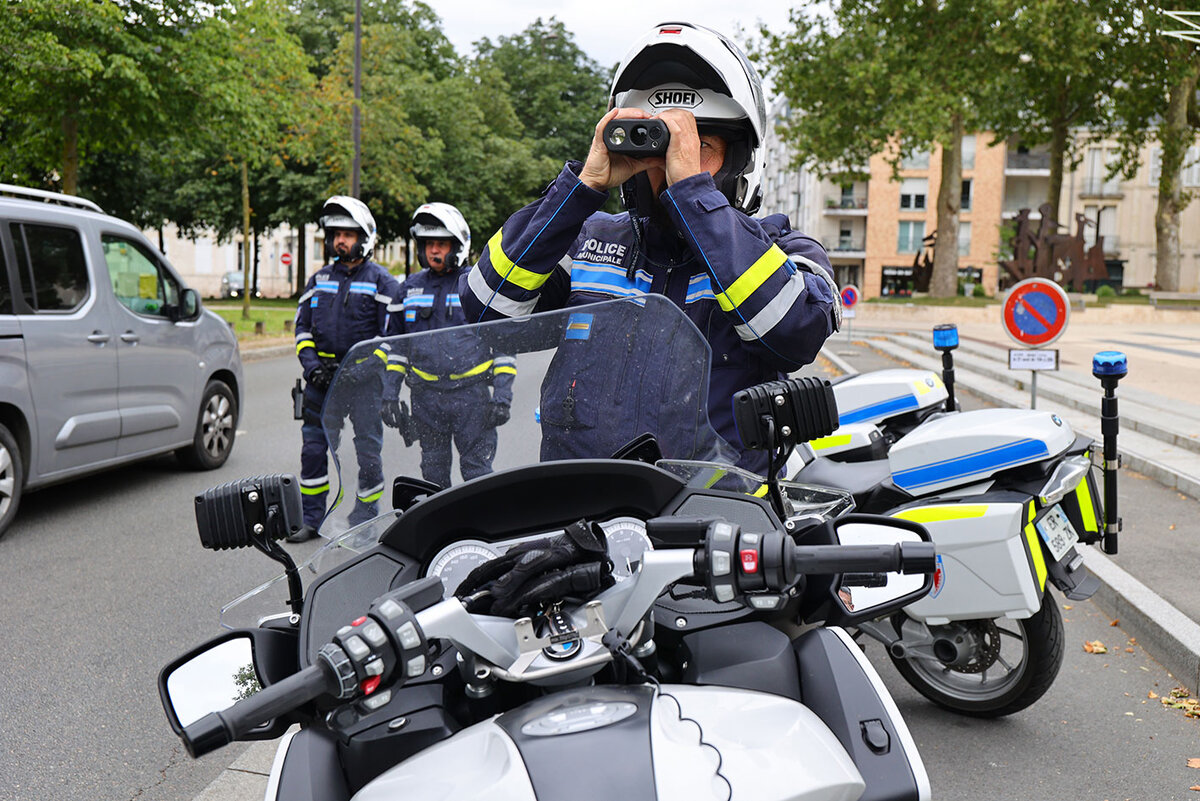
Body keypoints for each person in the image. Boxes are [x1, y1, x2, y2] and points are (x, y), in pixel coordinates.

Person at [460, 21, 841, 473]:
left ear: (742, 161)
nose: (674, 162)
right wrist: (581, 188)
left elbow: (794, 333)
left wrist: (693, 196)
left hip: (714, 520)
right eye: (660, 146)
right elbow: (486, 312)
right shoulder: (588, 238)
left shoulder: (783, 249)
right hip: (584, 519)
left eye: (701, 146)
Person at [382, 202, 515, 488]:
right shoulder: (407, 289)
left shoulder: (478, 285)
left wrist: (502, 398)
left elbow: (504, 345)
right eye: (429, 244)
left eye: (441, 244)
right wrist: (389, 395)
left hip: (472, 398)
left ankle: (481, 532)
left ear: (458, 245)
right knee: (433, 475)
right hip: (426, 399)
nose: (433, 250)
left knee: (477, 474)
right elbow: (396, 348)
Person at [292, 195, 401, 541]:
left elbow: (391, 338)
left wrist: (366, 368)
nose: (340, 239)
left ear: (365, 237)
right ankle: (312, 518)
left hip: (365, 385)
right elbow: (302, 329)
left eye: (348, 234)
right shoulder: (318, 279)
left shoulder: (385, 283)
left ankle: (365, 519)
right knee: (313, 451)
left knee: (368, 453)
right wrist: (313, 369)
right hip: (321, 383)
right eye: (336, 233)